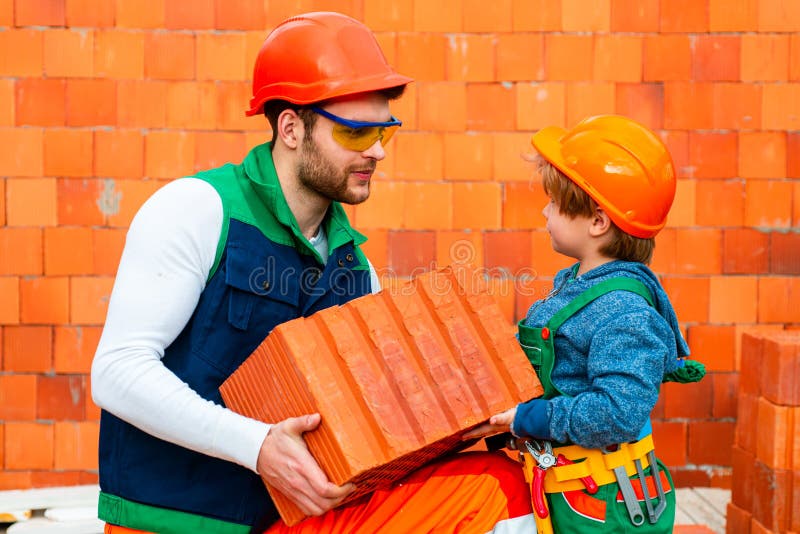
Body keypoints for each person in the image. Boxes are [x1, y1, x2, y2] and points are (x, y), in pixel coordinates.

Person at [92, 11, 534, 534]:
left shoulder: (356, 269)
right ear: (291, 128)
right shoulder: (198, 209)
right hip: (172, 523)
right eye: (355, 132)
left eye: (383, 132)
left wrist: (461, 421)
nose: (376, 151)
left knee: (500, 485)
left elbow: (374, 429)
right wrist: (257, 446)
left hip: (293, 521)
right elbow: (116, 372)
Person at [467, 115, 697, 533]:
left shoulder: (626, 314)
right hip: (566, 492)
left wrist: (528, 418)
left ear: (597, 221)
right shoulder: (577, 285)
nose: (544, 211)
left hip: (601, 510)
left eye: (554, 203)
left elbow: (618, 413)